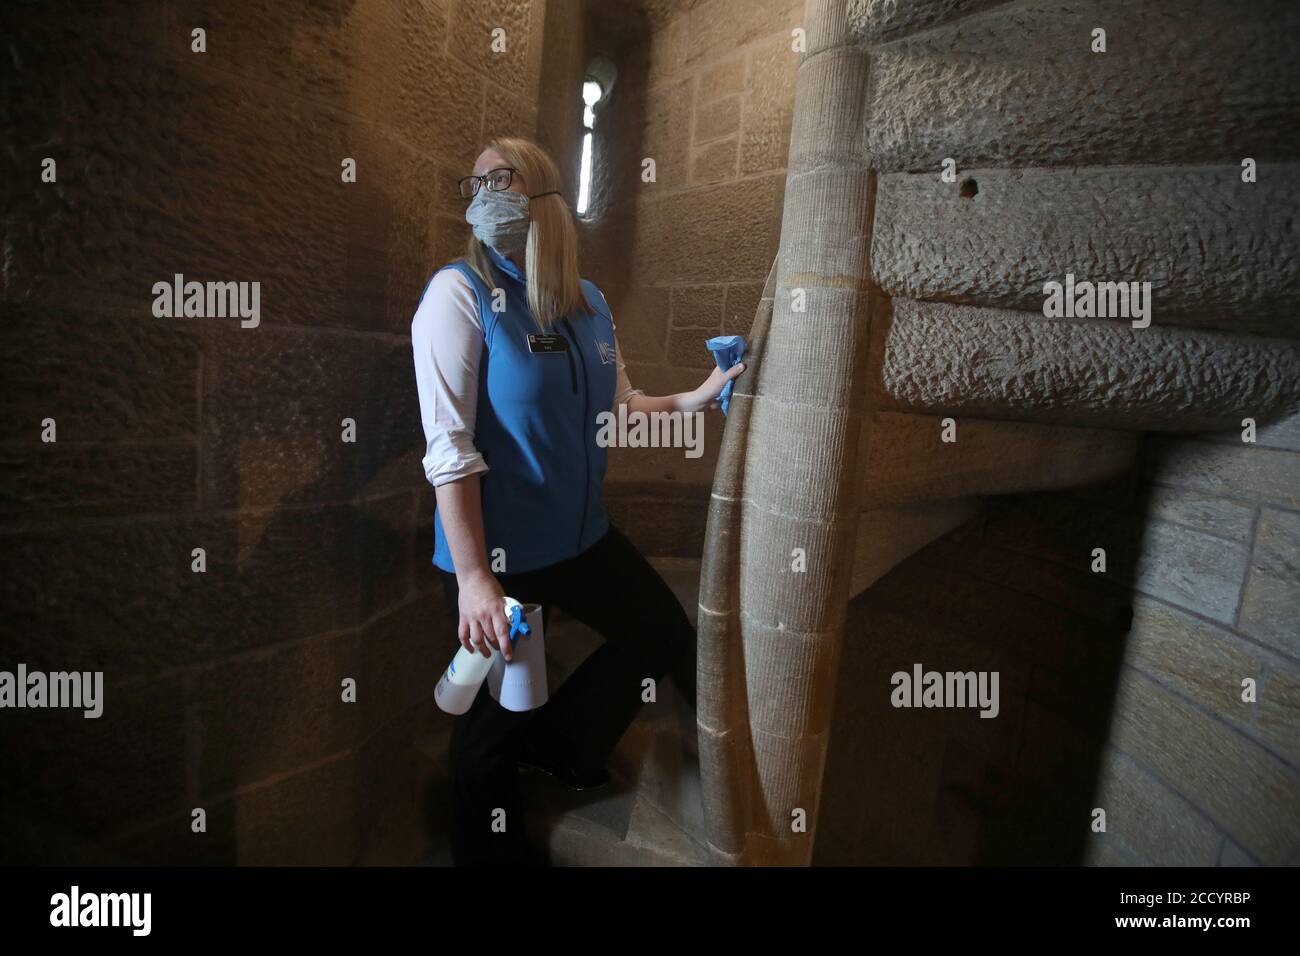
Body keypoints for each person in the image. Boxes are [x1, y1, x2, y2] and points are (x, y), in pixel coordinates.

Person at [410, 136, 745, 866]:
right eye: (472, 186)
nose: (480, 198)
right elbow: (449, 451)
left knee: (661, 634)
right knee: (491, 725)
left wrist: (700, 394)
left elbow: (620, 408)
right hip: (502, 556)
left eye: (497, 180)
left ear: (546, 195)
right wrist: (474, 580)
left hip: (583, 538)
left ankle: (566, 746)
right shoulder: (457, 294)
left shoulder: (588, 302)